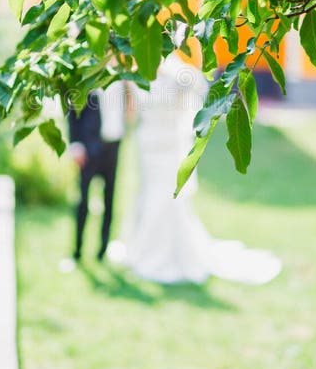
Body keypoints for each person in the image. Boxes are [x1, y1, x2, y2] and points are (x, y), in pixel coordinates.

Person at [109, 53, 282, 286]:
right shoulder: (137, 75)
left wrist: (173, 70)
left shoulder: (177, 76)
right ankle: (140, 247)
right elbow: (129, 111)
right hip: (147, 147)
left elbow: (199, 85)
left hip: (169, 148)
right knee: (147, 196)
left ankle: (168, 253)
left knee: (167, 199)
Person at [66, 81, 125, 265]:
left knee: (109, 200)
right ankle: (77, 250)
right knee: (83, 201)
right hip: (89, 147)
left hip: (113, 146)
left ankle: (102, 250)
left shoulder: (124, 80)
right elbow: (73, 110)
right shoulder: (88, 77)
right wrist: (75, 143)